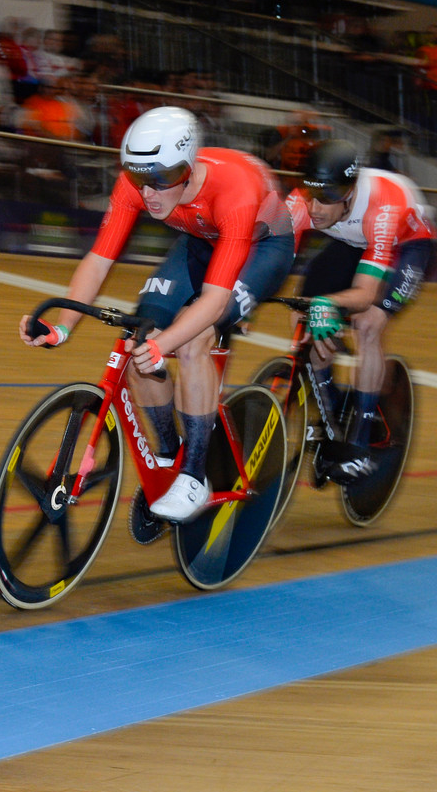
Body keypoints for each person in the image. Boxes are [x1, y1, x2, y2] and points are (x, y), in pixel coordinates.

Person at [20, 106, 296, 522]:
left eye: (161, 180)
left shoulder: (233, 189)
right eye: (138, 178)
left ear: (187, 169)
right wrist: (63, 325)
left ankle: (193, 476)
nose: (148, 193)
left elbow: (214, 302)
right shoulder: (142, 178)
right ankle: (169, 454)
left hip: (262, 247)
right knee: (136, 340)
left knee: (192, 340)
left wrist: (166, 342)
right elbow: (98, 260)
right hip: (201, 240)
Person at [285, 139, 434, 481]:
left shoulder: (381, 207)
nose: (317, 208)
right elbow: (274, 259)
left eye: (329, 197)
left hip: (406, 246)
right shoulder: (302, 202)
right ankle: (332, 411)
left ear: (350, 193)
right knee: (303, 314)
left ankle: (360, 443)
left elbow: (365, 294)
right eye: (312, 195)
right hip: (353, 242)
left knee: (367, 324)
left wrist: (330, 304)